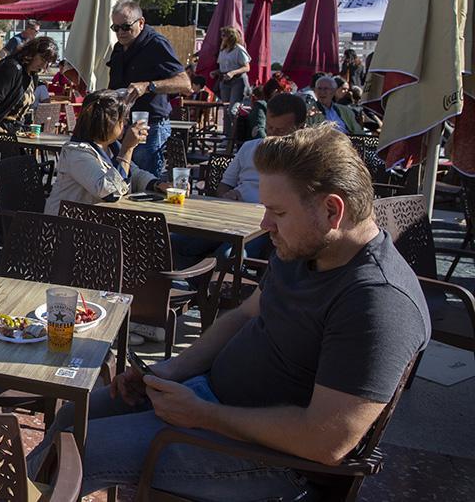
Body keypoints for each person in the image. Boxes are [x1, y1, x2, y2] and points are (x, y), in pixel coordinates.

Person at [29, 125, 430, 501]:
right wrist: (169, 371)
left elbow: (328, 441)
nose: (265, 223)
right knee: (71, 418)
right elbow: (243, 316)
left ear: (332, 211)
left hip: (270, 459)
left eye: (279, 212)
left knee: (75, 452)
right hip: (210, 401)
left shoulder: (376, 301)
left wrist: (204, 415)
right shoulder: (308, 249)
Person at [105, 0, 192, 177]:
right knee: (121, 179)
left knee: (145, 184)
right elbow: (114, 85)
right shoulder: (119, 48)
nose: (121, 32)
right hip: (122, 125)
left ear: (141, 23)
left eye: (126, 27)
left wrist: (149, 86)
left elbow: (185, 83)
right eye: (116, 28)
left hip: (150, 127)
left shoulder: (157, 44)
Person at [44, 90, 165, 213]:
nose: (126, 124)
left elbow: (134, 173)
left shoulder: (112, 147)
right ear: (107, 122)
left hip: (94, 223)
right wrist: (127, 150)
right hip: (65, 226)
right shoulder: (76, 153)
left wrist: (157, 185)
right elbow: (110, 192)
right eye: (123, 119)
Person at [218, 93, 307, 204]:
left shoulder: (304, 157)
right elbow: (226, 184)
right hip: (240, 206)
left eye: (280, 130)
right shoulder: (249, 148)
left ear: (300, 128)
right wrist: (227, 196)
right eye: (269, 127)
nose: (272, 134)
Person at [0, 36, 59, 132]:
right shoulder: (11, 67)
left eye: (48, 63)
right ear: (32, 52)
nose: (44, 66)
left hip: (11, 129)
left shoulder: (33, 76)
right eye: (43, 59)